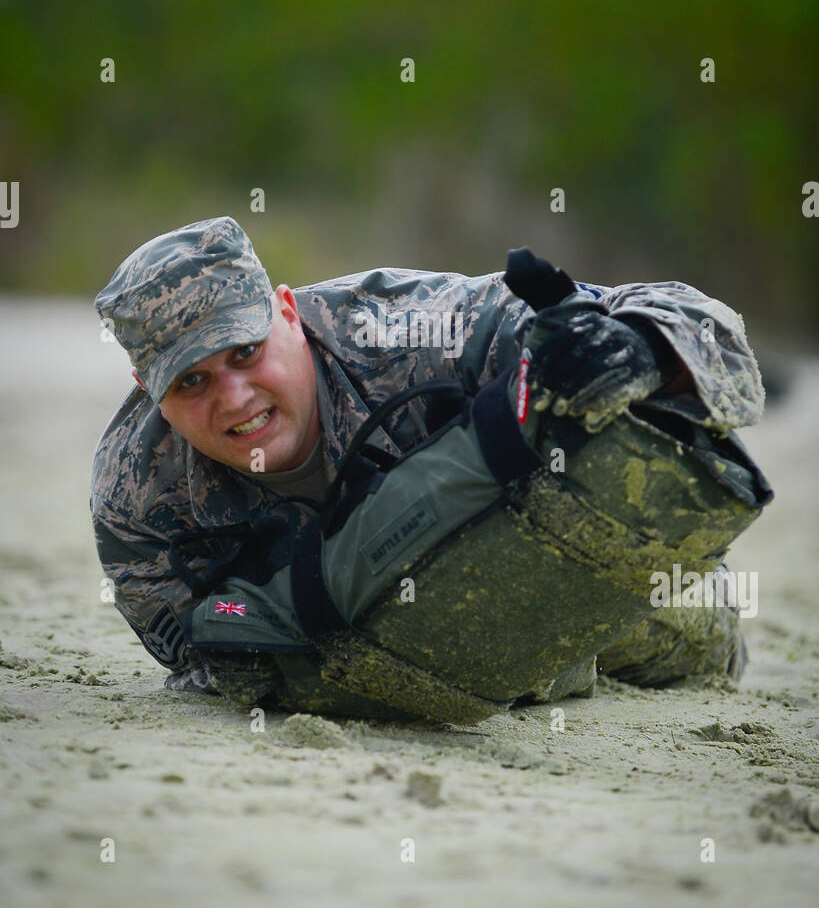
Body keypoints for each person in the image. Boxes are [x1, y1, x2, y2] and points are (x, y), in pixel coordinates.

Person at [91, 216, 766, 706]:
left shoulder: (408, 326)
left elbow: (692, 317)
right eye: (192, 382)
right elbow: (212, 669)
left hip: (587, 565)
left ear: (290, 313)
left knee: (705, 640)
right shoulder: (137, 506)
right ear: (147, 389)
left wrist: (636, 350)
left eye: (245, 352)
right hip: (398, 645)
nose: (235, 397)